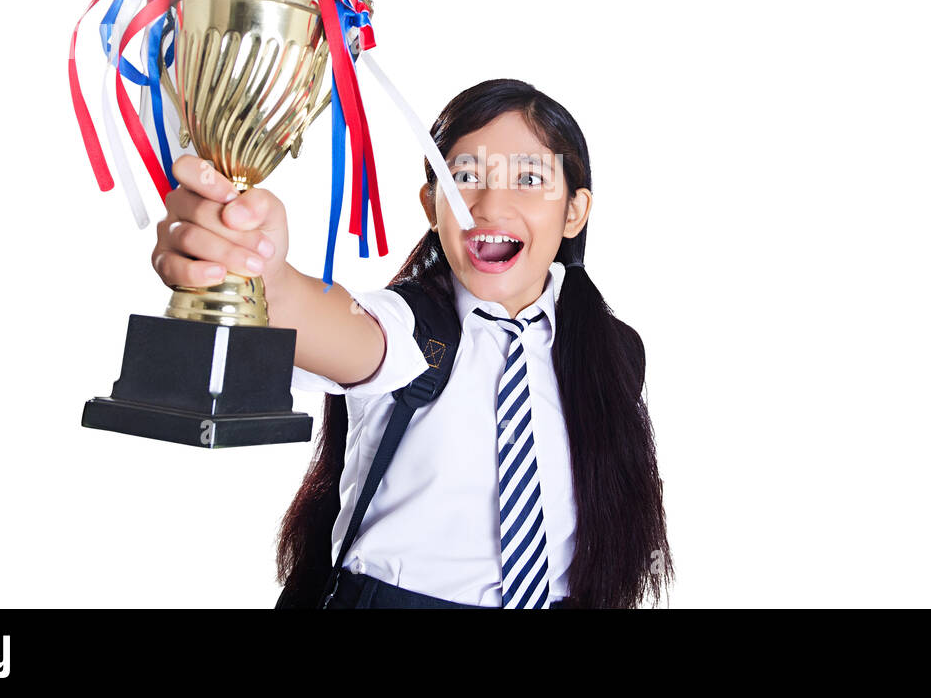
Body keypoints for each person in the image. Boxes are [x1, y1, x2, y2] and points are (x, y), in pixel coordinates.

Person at [152, 78, 671, 608]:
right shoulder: (409, 326)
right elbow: (333, 327)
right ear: (431, 203)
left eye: (529, 178)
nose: (489, 204)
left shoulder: (613, 350)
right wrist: (259, 266)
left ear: (574, 212)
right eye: (464, 176)